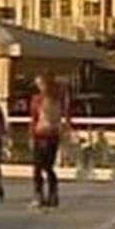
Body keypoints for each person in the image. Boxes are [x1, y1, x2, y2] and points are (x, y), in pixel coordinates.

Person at [29, 73, 73, 209]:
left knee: (39, 167)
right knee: (47, 167)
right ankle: (51, 194)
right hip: (51, 135)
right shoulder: (58, 99)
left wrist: (32, 135)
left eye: (39, 83)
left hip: (43, 134)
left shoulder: (40, 99)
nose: (38, 86)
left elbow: (34, 119)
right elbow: (66, 116)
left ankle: (40, 195)